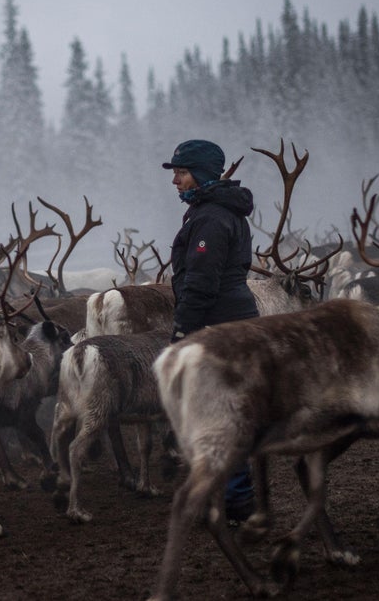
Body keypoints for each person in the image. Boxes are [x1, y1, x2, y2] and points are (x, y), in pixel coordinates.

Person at [163, 139, 259, 525]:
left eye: (181, 173)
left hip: (221, 328)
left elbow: (201, 282)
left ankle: (236, 502)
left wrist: (183, 331)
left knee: (221, 413)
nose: (175, 182)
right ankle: (233, 497)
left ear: (200, 176)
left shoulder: (211, 219)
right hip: (232, 321)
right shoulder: (213, 212)